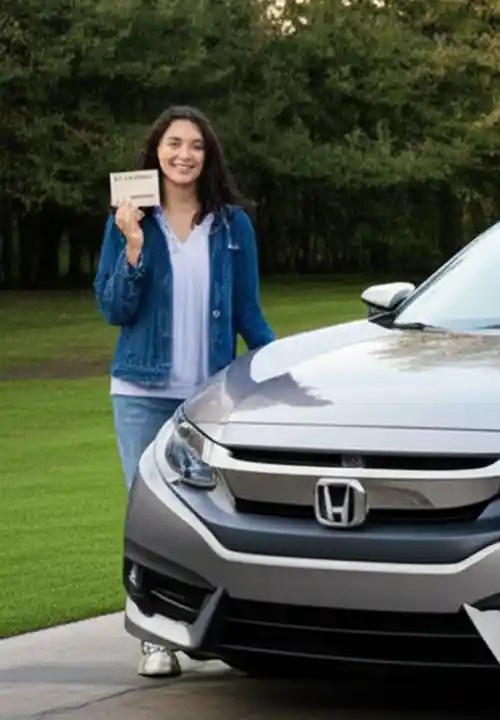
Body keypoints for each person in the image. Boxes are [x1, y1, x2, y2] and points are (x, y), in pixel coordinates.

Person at [93, 105, 275, 678]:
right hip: (141, 392)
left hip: (211, 399)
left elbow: (248, 311)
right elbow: (114, 307)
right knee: (153, 519)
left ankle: (224, 628)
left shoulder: (232, 227)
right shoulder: (130, 221)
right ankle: (155, 636)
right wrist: (130, 244)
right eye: (174, 143)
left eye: (195, 145)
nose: (184, 154)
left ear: (208, 155)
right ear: (156, 151)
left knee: (217, 516)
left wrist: (285, 365)